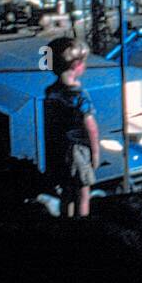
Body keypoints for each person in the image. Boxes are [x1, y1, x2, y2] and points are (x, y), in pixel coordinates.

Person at [43, 38, 101, 218]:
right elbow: (91, 127)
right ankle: (82, 227)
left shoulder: (51, 91)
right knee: (83, 193)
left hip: (59, 147)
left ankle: (65, 223)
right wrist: (96, 153)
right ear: (76, 65)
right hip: (78, 149)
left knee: (67, 192)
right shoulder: (79, 96)